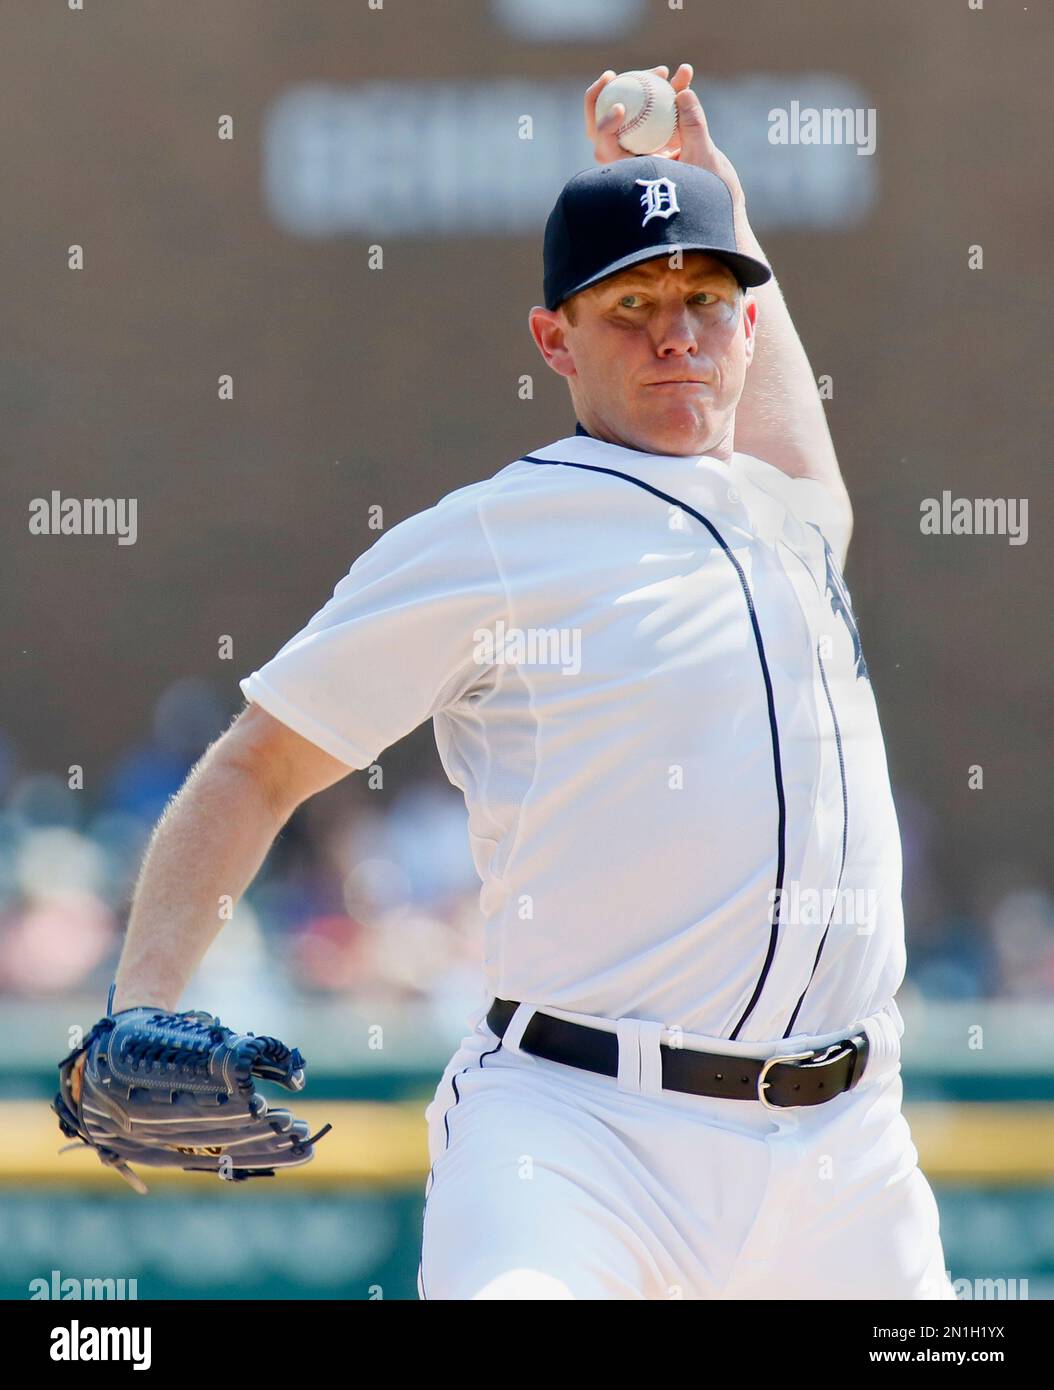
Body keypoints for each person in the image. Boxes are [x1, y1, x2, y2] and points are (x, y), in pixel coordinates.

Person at [110, 65, 954, 1300]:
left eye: (706, 302)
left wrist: (714, 192)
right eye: (630, 306)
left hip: (847, 1150)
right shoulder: (496, 536)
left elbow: (783, 415)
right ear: (553, 338)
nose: (677, 332)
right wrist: (140, 1005)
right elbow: (257, 762)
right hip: (581, 1136)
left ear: (748, 327)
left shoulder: (789, 515)